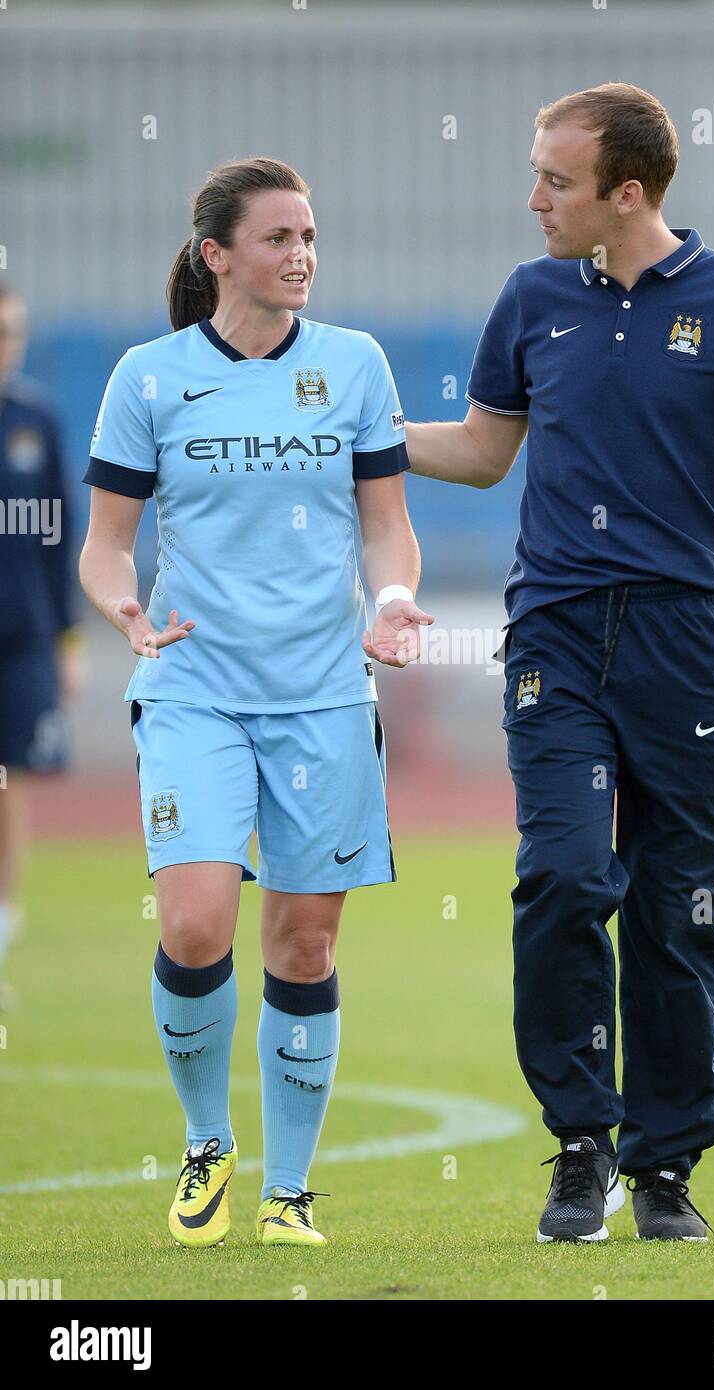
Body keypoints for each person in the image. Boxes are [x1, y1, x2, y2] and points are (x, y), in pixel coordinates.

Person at [404, 84, 714, 1244]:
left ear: (626, 192)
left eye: (555, 178)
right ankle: (579, 1144)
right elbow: (484, 451)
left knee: (675, 908)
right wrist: (355, 431)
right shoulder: (531, 296)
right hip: (553, 629)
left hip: (687, 640)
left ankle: (662, 1167)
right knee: (558, 877)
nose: (533, 197)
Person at [79, 157, 432, 1248]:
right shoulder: (146, 377)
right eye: (278, 238)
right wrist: (127, 614)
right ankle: (203, 1142)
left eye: (310, 237)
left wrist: (394, 599)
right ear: (216, 254)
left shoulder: (355, 365)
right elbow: (103, 546)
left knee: (303, 949)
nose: (301, 256)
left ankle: (288, 1190)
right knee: (192, 925)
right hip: (190, 687)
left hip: (323, 695)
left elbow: (384, 523)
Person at [0, 284, 83, 1010]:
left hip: (22, 637)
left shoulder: (38, 421)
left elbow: (63, 538)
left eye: (13, 332)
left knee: (11, 784)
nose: (7, 345)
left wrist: (69, 638)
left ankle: (1, 941)